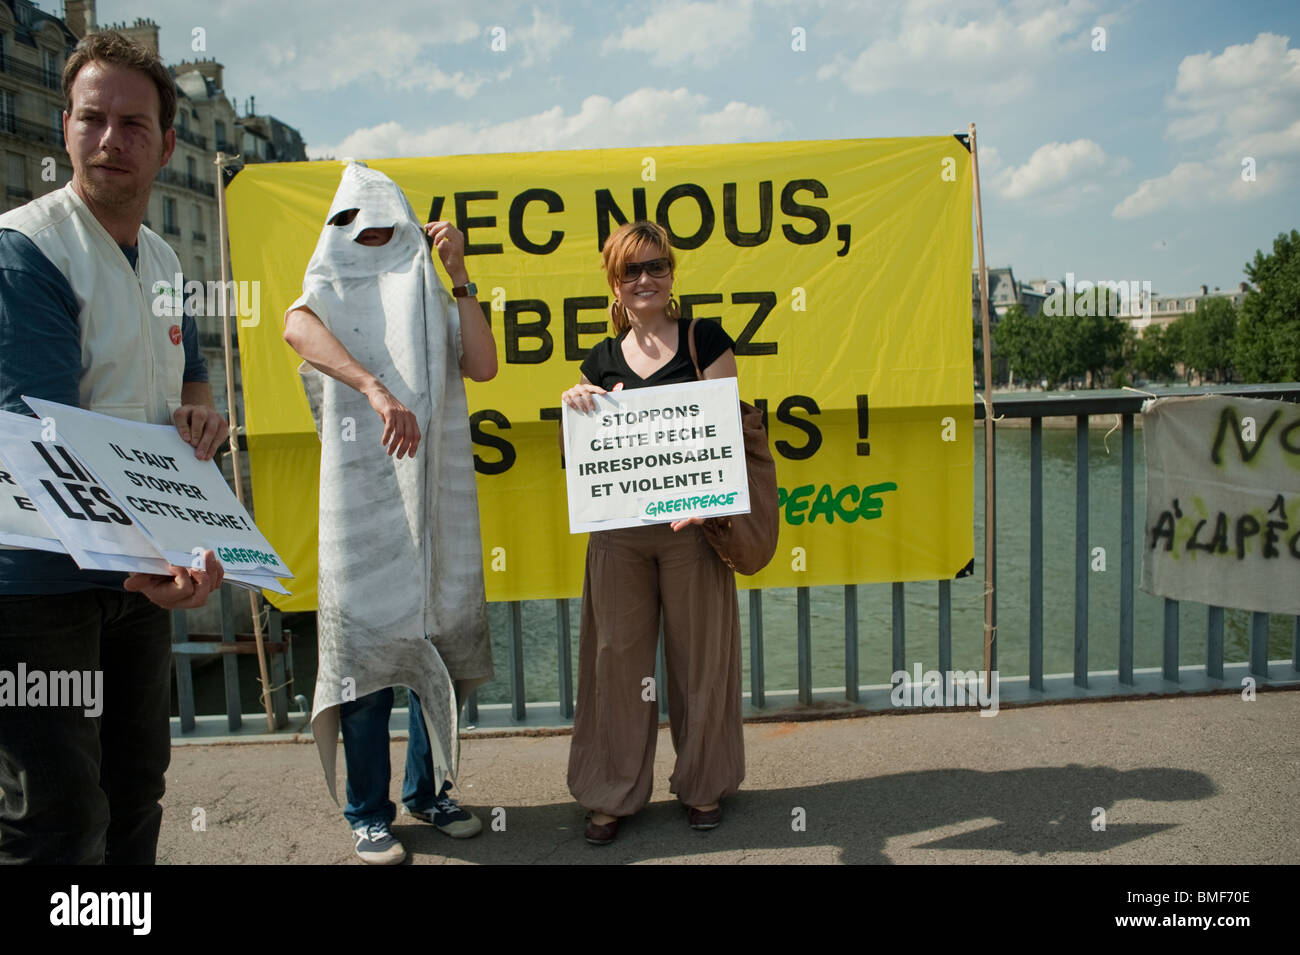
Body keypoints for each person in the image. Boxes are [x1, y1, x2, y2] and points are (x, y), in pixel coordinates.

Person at [0, 31, 227, 865]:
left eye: (133, 124)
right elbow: (46, 431)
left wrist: (202, 418)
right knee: (55, 818)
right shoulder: (26, 248)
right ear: (64, 127)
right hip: (37, 585)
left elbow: (191, 375)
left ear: (167, 145)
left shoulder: (165, 255)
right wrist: (174, 548)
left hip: (137, 575)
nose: (109, 139)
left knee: (136, 789)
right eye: (91, 118)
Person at [283, 162, 496, 865]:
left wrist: (457, 272)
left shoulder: (433, 296)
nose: (373, 239)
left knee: (437, 639)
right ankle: (367, 812)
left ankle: (428, 792)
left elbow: (485, 363)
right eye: (360, 228)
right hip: (360, 505)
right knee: (364, 664)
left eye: (386, 227)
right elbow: (296, 328)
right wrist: (373, 388)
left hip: (434, 501)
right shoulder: (327, 288)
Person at [561, 220, 745, 845]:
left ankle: (704, 787)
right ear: (614, 283)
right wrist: (577, 402)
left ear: (672, 274)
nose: (646, 279)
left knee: (702, 661)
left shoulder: (706, 340)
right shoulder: (600, 360)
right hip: (619, 538)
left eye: (657, 266)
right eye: (631, 270)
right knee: (617, 663)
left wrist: (710, 502)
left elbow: (724, 439)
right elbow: (588, 451)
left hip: (692, 531)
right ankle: (610, 793)